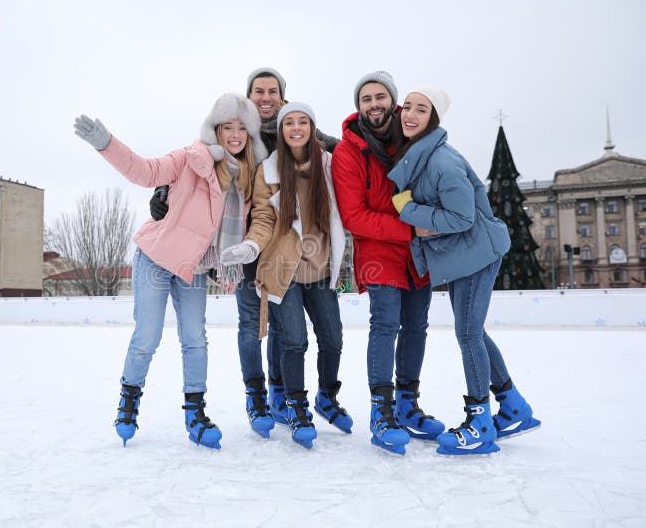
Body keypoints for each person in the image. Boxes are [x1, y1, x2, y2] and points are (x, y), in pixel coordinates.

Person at [151, 68, 346, 439]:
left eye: (273, 91)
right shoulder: (238, 128)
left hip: (285, 249)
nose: (266, 97)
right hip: (240, 241)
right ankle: (256, 397)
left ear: (283, 97)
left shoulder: (296, 125)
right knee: (250, 325)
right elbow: (194, 161)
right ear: (249, 95)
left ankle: (279, 394)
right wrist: (162, 189)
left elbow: (341, 148)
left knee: (283, 327)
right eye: (259, 91)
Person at [73, 93, 268, 450]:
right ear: (216, 129)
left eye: (242, 128)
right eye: (228, 127)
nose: (235, 134)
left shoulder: (248, 180)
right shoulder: (190, 158)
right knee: (147, 337)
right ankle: (128, 402)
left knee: (195, 339)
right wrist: (107, 144)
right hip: (156, 259)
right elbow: (145, 171)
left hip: (193, 267)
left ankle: (196, 413)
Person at [388, 86, 541, 455]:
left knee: (468, 335)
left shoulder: (442, 161)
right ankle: (513, 406)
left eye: (420, 110)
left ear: (433, 118)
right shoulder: (420, 156)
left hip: (475, 255)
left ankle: (479, 422)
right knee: (473, 332)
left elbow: (461, 216)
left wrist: (407, 210)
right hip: (463, 258)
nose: (410, 114)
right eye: (407, 107)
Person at [221, 102, 349, 449]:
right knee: (294, 340)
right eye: (288, 122)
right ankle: (296, 406)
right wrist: (250, 245)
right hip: (283, 268)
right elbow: (263, 216)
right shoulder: (269, 170)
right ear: (280, 130)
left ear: (311, 127)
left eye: (302, 121)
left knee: (333, 339)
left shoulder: (328, 163)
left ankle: (327, 395)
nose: (296, 128)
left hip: (320, 268)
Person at [331, 71, 444, 455]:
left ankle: (408, 405)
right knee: (385, 324)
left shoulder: (411, 136)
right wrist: (412, 230)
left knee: (417, 327)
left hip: (419, 253)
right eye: (366, 99)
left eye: (380, 97)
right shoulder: (348, 153)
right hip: (380, 250)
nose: (374, 104)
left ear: (391, 101)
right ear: (358, 106)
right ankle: (381, 411)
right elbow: (354, 216)